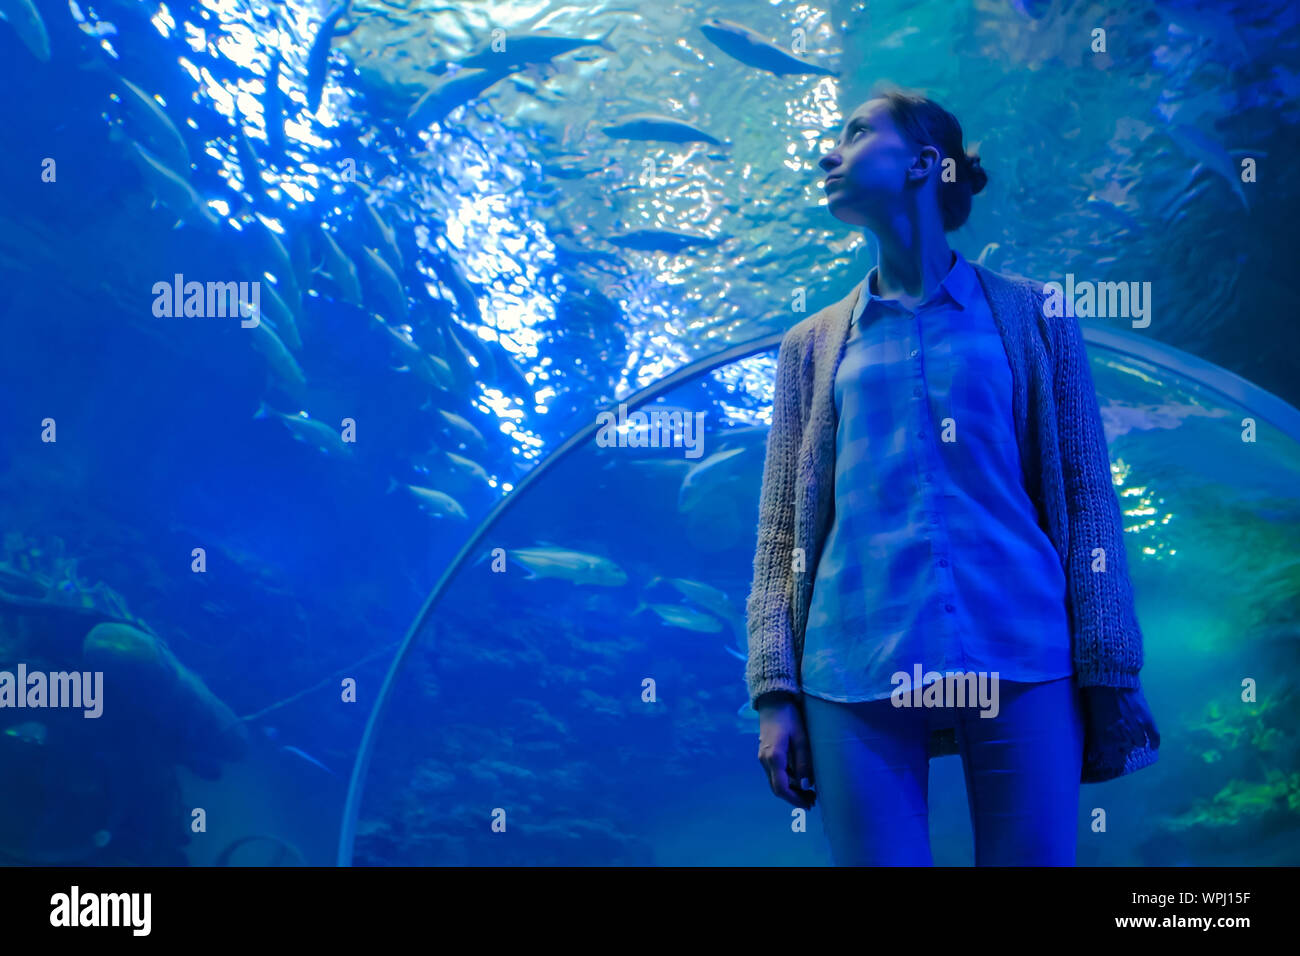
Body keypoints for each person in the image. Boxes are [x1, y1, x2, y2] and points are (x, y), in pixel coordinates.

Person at [745, 84, 1160, 866]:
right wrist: (774, 691)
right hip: (851, 659)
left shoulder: (1037, 315)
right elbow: (779, 533)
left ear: (923, 164)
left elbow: (1087, 499)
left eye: (857, 133)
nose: (827, 152)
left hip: (1024, 644)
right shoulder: (809, 344)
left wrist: (1109, 661)